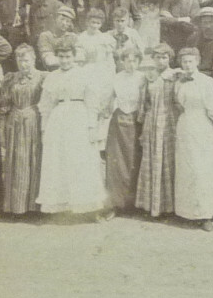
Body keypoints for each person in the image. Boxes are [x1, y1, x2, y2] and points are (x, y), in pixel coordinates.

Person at [35, 45, 110, 218]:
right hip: (58, 118)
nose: (65, 60)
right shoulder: (52, 77)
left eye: (68, 56)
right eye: (61, 57)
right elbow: (46, 106)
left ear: (74, 57)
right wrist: (44, 129)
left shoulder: (84, 74)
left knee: (80, 159)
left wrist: (92, 127)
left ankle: (86, 206)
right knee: (59, 159)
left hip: (79, 118)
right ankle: (61, 204)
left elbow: (92, 103)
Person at [169, 46, 213, 230]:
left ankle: (205, 214)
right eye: (184, 62)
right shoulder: (179, 83)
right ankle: (186, 212)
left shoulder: (208, 82)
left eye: (190, 61)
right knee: (186, 167)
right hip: (185, 125)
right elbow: (177, 105)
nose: (187, 65)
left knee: (202, 169)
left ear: (197, 62)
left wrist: (207, 120)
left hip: (203, 126)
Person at [0, 42, 44, 216]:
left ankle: (34, 207)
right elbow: (3, 105)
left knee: (34, 159)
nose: (24, 64)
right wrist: (2, 126)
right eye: (20, 60)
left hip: (33, 121)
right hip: (14, 122)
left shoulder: (43, 77)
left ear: (34, 59)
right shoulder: (11, 78)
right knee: (16, 161)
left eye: (27, 60)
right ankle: (15, 206)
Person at [134, 45, 179, 219]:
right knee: (151, 159)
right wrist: (143, 120)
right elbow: (144, 102)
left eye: (164, 58)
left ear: (169, 59)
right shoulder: (149, 77)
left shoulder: (175, 76)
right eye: (158, 57)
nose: (161, 61)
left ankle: (171, 206)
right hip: (151, 121)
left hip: (169, 121)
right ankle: (152, 206)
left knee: (168, 160)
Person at [102, 43, 145, 213]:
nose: (131, 64)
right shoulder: (117, 78)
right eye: (127, 61)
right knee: (117, 162)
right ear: (122, 62)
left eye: (134, 61)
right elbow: (108, 99)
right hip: (118, 122)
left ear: (139, 62)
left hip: (137, 121)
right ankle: (116, 203)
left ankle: (135, 203)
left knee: (135, 161)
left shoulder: (143, 78)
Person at [36, 3, 79, 70]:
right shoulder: (45, 36)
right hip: (52, 74)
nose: (64, 23)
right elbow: (49, 61)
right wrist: (71, 60)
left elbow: (81, 57)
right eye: (62, 19)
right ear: (55, 19)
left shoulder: (73, 37)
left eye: (68, 21)